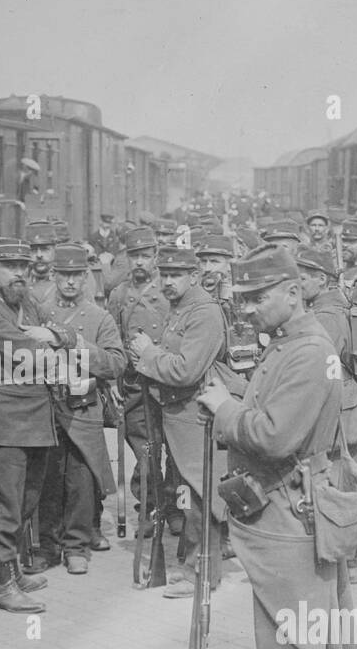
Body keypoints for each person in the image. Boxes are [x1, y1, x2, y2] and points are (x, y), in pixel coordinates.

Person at [195, 245, 344, 649]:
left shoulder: (308, 351)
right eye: (245, 299)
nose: (249, 309)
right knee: (273, 628)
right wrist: (231, 395)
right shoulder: (289, 343)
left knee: (295, 635)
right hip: (275, 510)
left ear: (293, 291)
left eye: (258, 298)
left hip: (290, 512)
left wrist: (223, 409)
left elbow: (277, 436)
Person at [0, 238, 74, 611]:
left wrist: (53, 337)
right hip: (4, 422)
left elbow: (49, 333)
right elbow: (31, 354)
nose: (19, 273)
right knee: (4, 503)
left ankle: (12, 571)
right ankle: (0, 585)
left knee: (26, 500)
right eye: (10, 266)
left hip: (35, 417)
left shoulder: (24, 301)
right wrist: (55, 342)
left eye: (23, 267)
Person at [130, 246, 226, 598]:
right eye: (164, 274)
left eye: (176, 275)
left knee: (200, 496)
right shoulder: (181, 308)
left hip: (195, 414)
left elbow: (186, 369)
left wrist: (148, 353)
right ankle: (194, 564)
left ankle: (201, 572)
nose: (167, 282)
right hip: (177, 413)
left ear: (194, 277)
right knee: (189, 495)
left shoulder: (204, 313)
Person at [32, 245, 127, 574]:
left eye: (76, 275)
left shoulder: (99, 317)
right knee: (47, 479)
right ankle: (47, 545)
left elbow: (116, 362)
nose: (70, 282)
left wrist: (80, 346)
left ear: (86, 276)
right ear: (54, 275)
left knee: (81, 480)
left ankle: (76, 545)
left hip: (83, 408)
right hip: (45, 408)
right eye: (64, 274)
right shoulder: (38, 310)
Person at [296, 248, 357, 583]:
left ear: (323, 279)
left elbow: (317, 361)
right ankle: (347, 554)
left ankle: (347, 557)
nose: (297, 283)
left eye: (304, 277)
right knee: (347, 476)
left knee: (342, 478)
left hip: (340, 408)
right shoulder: (324, 307)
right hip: (345, 403)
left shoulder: (327, 313)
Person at [108, 226, 181, 538]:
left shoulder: (169, 290)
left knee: (177, 453)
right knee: (145, 452)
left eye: (145, 256)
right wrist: (113, 379)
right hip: (135, 384)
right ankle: (150, 509)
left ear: (155, 258)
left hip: (168, 382)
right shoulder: (118, 295)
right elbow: (110, 337)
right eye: (134, 256)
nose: (139, 262)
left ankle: (178, 509)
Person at [25, 220, 59, 307]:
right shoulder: (21, 284)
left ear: (55, 249)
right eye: (33, 250)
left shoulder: (68, 283)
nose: (39, 255)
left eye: (45, 249)